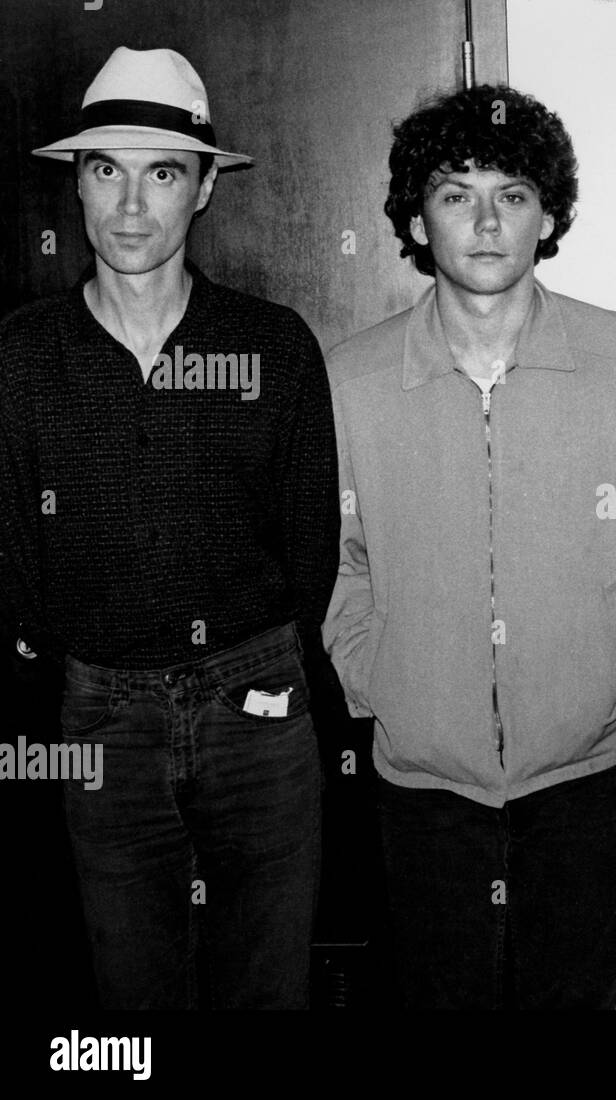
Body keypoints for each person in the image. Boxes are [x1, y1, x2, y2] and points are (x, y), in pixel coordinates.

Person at [324, 84, 616, 1009]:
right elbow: (329, 560)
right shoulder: (350, 379)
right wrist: (383, 682)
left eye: (514, 193)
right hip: (420, 791)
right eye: (457, 193)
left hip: (584, 780)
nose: (487, 221)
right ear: (417, 216)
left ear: (550, 212)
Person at [0, 47, 339, 1009]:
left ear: (201, 192)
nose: (133, 204)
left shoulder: (274, 346)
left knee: (268, 990)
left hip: (259, 714)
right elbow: (12, 561)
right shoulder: (23, 357)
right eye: (107, 171)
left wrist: (261, 674)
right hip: (100, 720)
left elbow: (310, 550)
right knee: (131, 1004)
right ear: (77, 188)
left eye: (162, 172)